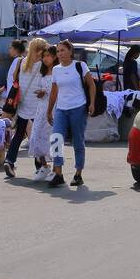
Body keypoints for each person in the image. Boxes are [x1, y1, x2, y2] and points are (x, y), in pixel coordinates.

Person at [46, 40, 96, 188]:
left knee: (78, 141)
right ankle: (59, 173)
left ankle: (78, 174)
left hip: (78, 107)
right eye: (58, 51)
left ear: (70, 51)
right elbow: (54, 92)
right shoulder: (56, 70)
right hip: (61, 109)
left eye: (62, 50)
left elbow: (91, 84)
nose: (59, 54)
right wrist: (49, 110)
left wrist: (92, 103)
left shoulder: (80, 66)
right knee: (56, 139)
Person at [4, 38, 47, 179]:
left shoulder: (21, 62)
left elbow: (16, 80)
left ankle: (9, 161)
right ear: (40, 50)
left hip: (23, 104)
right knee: (37, 136)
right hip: (37, 105)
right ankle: (39, 165)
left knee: (19, 134)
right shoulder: (43, 65)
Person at [25, 44, 58, 181]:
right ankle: (44, 166)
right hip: (41, 109)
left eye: (48, 56)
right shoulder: (43, 72)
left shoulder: (58, 71)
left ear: (54, 57)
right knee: (35, 136)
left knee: (53, 138)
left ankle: (56, 169)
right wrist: (41, 92)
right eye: (44, 56)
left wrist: (47, 92)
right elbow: (41, 88)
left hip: (55, 108)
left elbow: (59, 91)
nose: (45, 59)